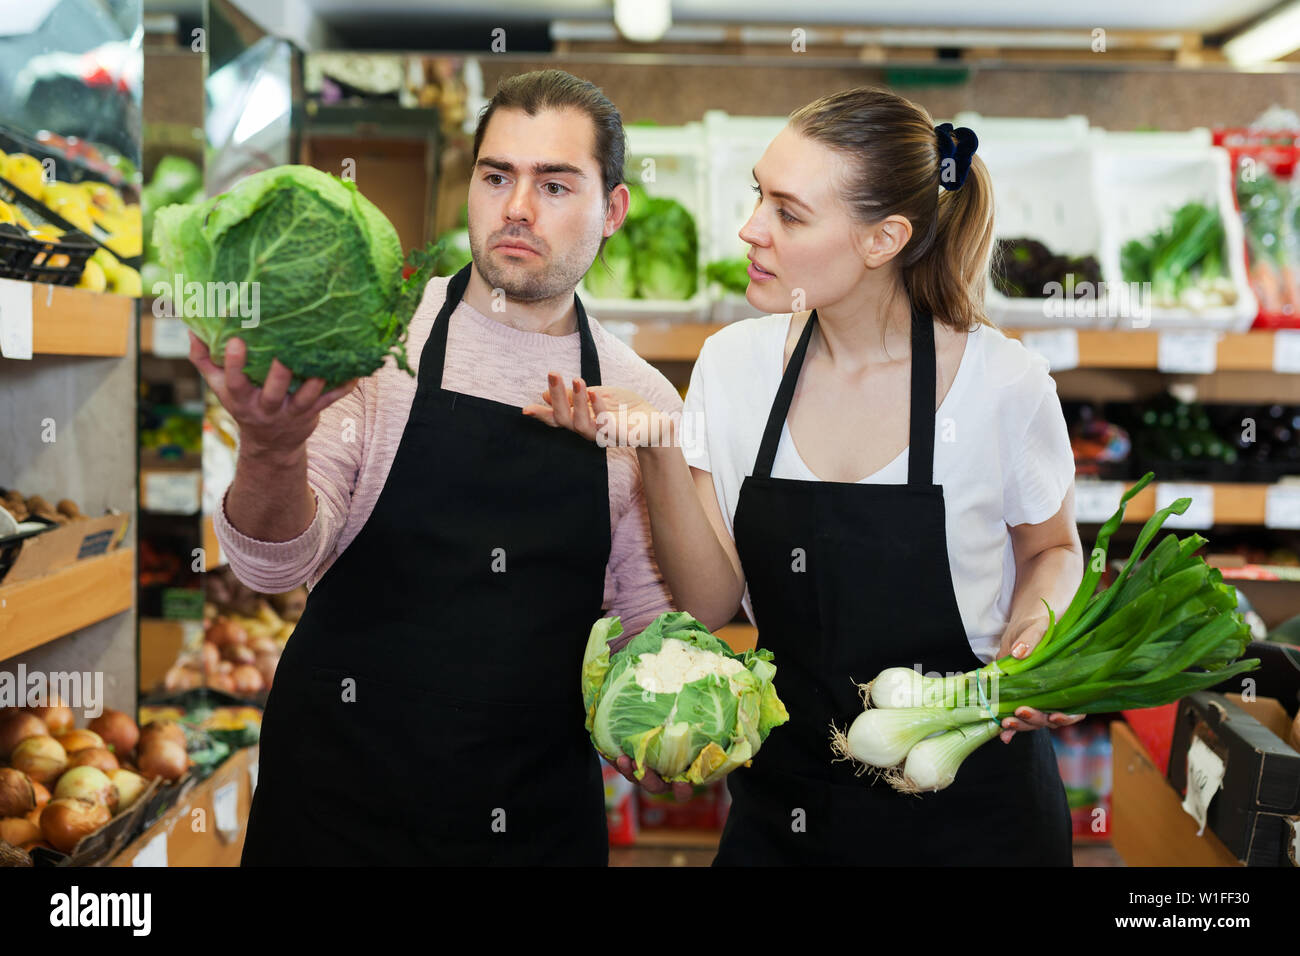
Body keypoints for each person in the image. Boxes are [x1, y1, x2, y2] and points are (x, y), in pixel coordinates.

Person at [526, 87, 1085, 865]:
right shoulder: (734, 368)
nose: (751, 228)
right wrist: (657, 449)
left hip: (974, 805)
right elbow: (710, 604)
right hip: (788, 805)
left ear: (884, 239)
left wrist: (1038, 632)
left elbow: (1051, 548)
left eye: (788, 213)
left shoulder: (1003, 384)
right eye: (759, 195)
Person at [195, 70, 688, 866]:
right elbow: (269, 566)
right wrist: (270, 449)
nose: (517, 207)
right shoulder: (376, 343)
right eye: (496, 177)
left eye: (554, 184)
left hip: (531, 822)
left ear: (614, 210)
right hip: (333, 808)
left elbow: (643, 619)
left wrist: (658, 725)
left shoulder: (640, 400)